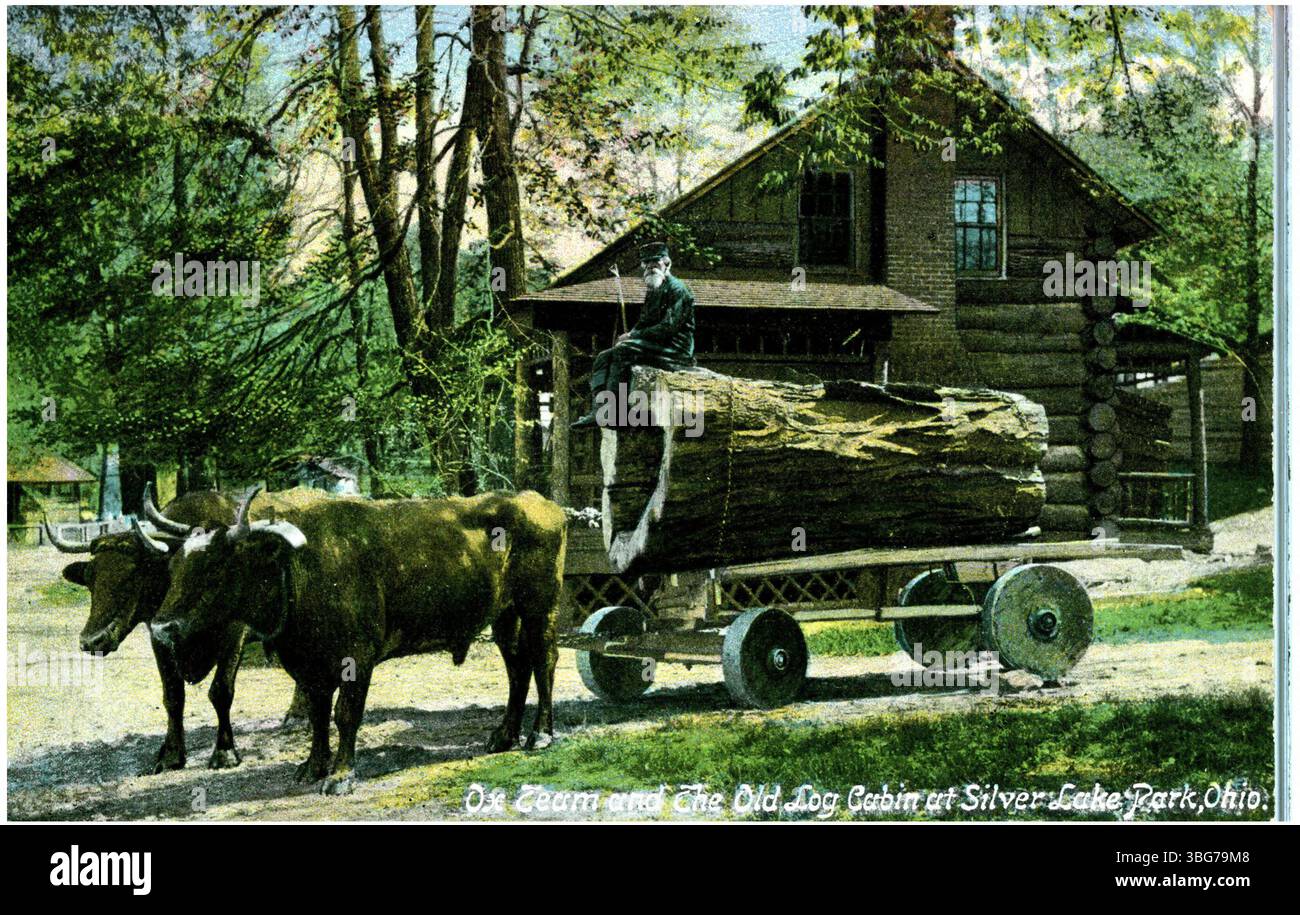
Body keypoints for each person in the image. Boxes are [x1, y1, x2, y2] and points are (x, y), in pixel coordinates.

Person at [571, 242, 696, 429]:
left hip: (675, 348)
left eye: (655, 262)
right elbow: (644, 321)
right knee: (604, 356)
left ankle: (616, 413)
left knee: (623, 351)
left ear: (667, 263)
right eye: (646, 264)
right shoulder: (653, 290)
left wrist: (634, 336)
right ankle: (599, 409)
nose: (650, 267)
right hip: (656, 344)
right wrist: (630, 333)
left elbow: (668, 327)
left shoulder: (678, 289)